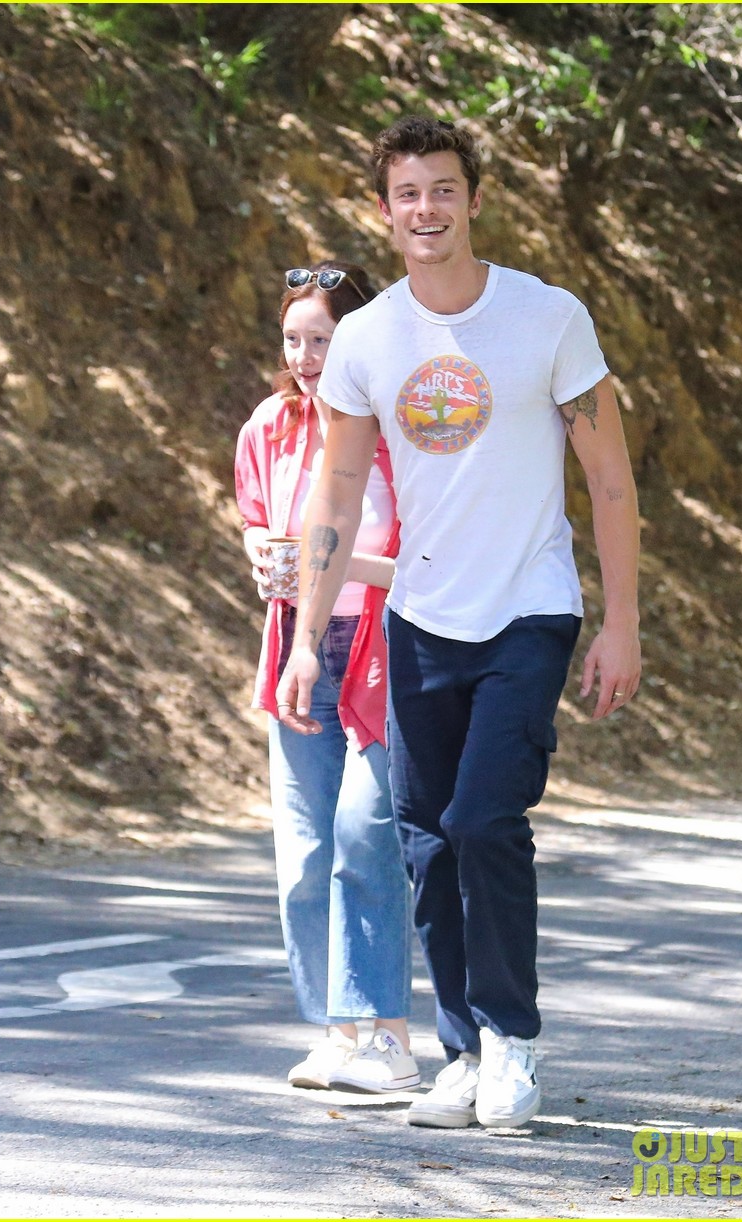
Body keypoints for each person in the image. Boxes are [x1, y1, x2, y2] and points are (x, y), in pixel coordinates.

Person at [276, 116, 642, 1129]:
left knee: (484, 821)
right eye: (407, 194)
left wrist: (622, 624)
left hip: (528, 609)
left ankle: (510, 1040)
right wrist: (309, 637)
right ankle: (460, 1051)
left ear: (473, 199)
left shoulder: (547, 318)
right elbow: (337, 497)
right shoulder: (366, 337)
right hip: (421, 619)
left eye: (443, 190)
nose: (426, 210)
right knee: (426, 841)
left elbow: (608, 480)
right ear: (384, 210)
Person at [234, 260, 419, 1094]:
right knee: (305, 856)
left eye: (323, 339)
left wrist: (337, 562)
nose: (307, 357)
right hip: (295, 648)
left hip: (378, 652)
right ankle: (336, 1033)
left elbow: (422, 552)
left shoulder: (394, 428)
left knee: (361, 839)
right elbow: (253, 519)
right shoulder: (269, 425)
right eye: (294, 340)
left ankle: (392, 1038)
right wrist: (267, 559)